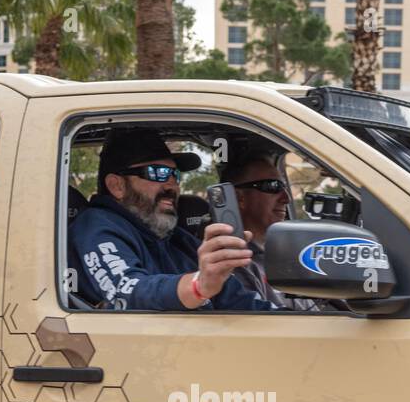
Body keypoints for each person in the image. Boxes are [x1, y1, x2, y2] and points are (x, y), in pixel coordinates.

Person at [69, 128, 273, 311]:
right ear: (117, 186)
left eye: (175, 175)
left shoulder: (176, 239)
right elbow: (128, 292)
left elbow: (239, 302)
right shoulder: (94, 227)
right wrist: (198, 285)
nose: (171, 186)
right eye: (158, 173)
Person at [220, 149, 325, 312]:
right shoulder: (233, 263)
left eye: (283, 186)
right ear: (239, 198)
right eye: (273, 186)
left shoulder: (285, 253)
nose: (286, 198)